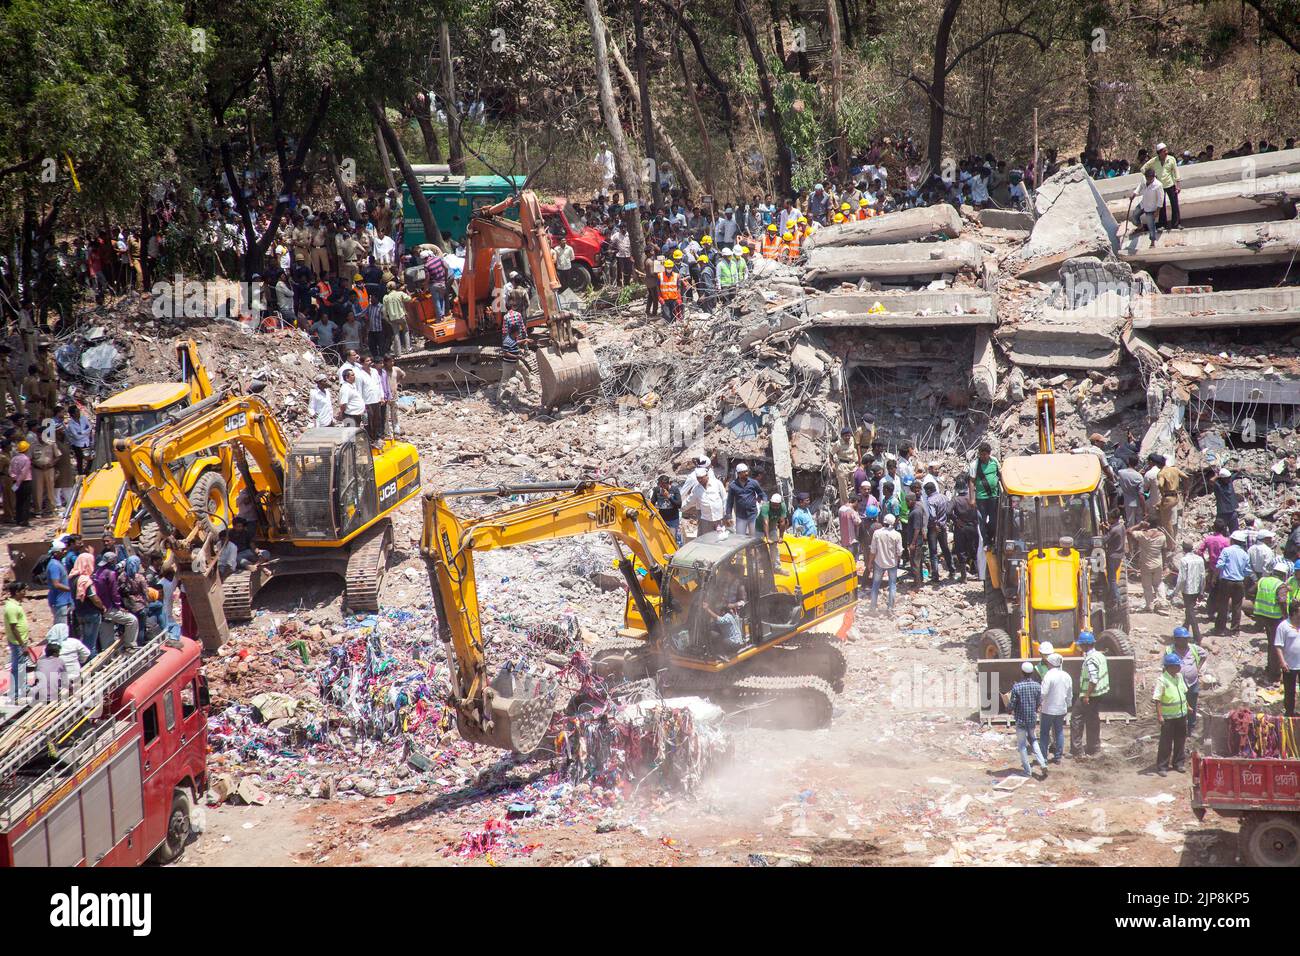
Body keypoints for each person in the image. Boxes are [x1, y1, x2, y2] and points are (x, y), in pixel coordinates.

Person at [1006, 661, 1048, 779]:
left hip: (1020, 720)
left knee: (1022, 746)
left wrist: (1007, 707)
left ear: (1022, 673)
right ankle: (1043, 763)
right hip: (1032, 719)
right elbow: (1039, 702)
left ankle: (1027, 771)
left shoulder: (1017, 687)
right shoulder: (1037, 686)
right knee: (1034, 740)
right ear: (1032, 673)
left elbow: (1012, 704)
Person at [1070, 630, 1108, 757]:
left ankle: (1077, 751)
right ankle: (1094, 747)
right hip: (1098, 695)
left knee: (1076, 719)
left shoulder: (1090, 660)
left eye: (1081, 644)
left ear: (1086, 645)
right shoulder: (1100, 656)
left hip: (1089, 696)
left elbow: (1093, 679)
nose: (1080, 646)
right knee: (1092, 720)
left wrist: (1086, 695)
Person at [1151, 652, 1190, 776]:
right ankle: (1162, 766)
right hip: (1168, 718)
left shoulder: (1179, 677)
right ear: (1169, 667)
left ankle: (1178, 763)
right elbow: (1157, 699)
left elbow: (1183, 693)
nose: (1179, 668)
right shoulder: (1162, 680)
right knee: (1166, 742)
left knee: (1180, 740)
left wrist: (1188, 706)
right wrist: (1160, 716)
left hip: (1181, 715)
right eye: (1177, 666)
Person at [1253, 560, 1289, 682]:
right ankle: (1274, 674)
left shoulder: (1263, 580)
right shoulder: (1281, 585)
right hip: (1274, 617)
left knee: (1271, 642)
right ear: (1284, 575)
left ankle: (1269, 667)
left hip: (1262, 615)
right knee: (1276, 645)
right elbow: (1283, 601)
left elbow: (1251, 591)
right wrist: (1286, 616)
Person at [1166, 626, 1206, 733]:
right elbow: (1165, 666)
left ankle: (1191, 727)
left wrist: (1197, 668)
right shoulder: (1170, 650)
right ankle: (1179, 727)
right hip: (1176, 684)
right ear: (1176, 639)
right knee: (1178, 704)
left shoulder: (1193, 648)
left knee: (1192, 705)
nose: (1185, 641)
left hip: (1192, 683)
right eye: (1182, 639)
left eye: (1186, 639)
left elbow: (1204, 655)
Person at [497, 292, 533, 405]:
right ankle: (500, 398)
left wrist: (506, 339)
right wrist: (525, 339)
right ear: (512, 306)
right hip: (512, 356)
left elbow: (505, 330)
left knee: (522, 373)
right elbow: (522, 326)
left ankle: (529, 389)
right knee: (506, 378)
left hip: (513, 343)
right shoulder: (518, 314)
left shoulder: (506, 317)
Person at [1215, 530, 1251, 635]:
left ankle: (1220, 629)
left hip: (1226, 581)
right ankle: (1235, 630)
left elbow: (1219, 565)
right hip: (1239, 582)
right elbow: (1248, 571)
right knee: (1237, 606)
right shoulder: (1245, 554)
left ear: (1234, 540)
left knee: (1223, 605)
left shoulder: (1226, 551)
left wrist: (1216, 576)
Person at [1039, 653, 1072, 764]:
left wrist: (1039, 703)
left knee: (1044, 733)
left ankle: (1043, 757)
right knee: (1059, 732)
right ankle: (1058, 757)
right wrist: (1067, 705)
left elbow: (1043, 693)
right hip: (1061, 709)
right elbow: (1069, 694)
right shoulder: (1067, 675)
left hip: (1048, 709)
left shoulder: (1048, 675)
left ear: (1050, 663)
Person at [1127, 520, 1167, 612]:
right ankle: (1163, 603)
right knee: (1158, 583)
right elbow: (1164, 550)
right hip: (1158, 564)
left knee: (1147, 586)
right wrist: (1165, 564)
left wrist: (1139, 525)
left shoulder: (1143, 535)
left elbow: (1128, 531)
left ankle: (1150, 606)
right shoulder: (1162, 536)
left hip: (1146, 564)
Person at [1141, 142, 1181, 229]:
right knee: (1161, 206)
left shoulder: (1171, 159)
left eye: (1166, 150)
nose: (1166, 152)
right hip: (1160, 187)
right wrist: (1151, 177)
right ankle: (1163, 224)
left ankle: (1176, 224)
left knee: (1175, 205)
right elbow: (1143, 169)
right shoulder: (1154, 161)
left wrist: (1178, 184)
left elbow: (1176, 171)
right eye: (1164, 151)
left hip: (1170, 185)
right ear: (1159, 152)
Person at [869, 513, 903, 613]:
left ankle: (872, 607)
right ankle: (890, 608)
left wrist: (870, 563)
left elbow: (873, 551)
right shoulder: (897, 535)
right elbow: (899, 551)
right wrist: (898, 560)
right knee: (892, 585)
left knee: (875, 585)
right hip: (892, 563)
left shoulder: (877, 533)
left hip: (879, 562)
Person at [680, 465, 727, 535]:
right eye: (698, 478)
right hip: (706, 519)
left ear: (706, 476)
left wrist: (726, 514)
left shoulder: (717, 484)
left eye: (701, 478)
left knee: (720, 539)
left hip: (719, 518)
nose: (699, 480)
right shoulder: (696, 489)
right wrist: (678, 508)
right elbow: (688, 502)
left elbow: (724, 499)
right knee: (708, 539)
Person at [1173, 540, 1205, 641]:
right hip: (1197, 589)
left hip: (1187, 590)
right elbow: (1203, 576)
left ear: (1183, 549)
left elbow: (1182, 578)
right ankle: (1184, 630)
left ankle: (1197, 636)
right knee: (1189, 611)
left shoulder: (1184, 560)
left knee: (1190, 612)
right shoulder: (1200, 559)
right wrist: (1202, 591)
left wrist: (1175, 591)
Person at [968, 442, 999, 545]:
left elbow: (1000, 474)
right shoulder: (974, 465)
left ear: (989, 453)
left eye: (985, 454)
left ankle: (991, 537)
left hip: (993, 496)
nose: (983, 456)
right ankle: (985, 541)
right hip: (981, 497)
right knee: (982, 520)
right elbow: (972, 481)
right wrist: (972, 498)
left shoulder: (994, 461)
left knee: (993, 520)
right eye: (981, 454)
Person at [5, 581, 30, 702]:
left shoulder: (15, 605)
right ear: (17, 592)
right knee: (19, 667)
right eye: (23, 591)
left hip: (20, 641)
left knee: (21, 666)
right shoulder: (11, 607)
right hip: (17, 643)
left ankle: (21, 688)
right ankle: (17, 692)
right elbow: (14, 628)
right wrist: (23, 644)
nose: (25, 593)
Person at [1274, 602, 1300, 717]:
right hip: (1289, 665)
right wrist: (1282, 662)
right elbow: (1278, 646)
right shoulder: (1283, 626)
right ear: (1294, 613)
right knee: (1290, 692)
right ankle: (1289, 714)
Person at [725, 463, 765, 535]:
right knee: (740, 538)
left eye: (747, 471)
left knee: (753, 538)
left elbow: (761, 493)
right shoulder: (733, 485)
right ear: (739, 474)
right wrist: (728, 516)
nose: (746, 473)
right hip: (740, 516)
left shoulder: (753, 483)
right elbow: (729, 502)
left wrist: (761, 499)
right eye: (744, 472)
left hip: (752, 515)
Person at [46, 539, 74, 629]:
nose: (65, 551)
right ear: (55, 553)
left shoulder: (59, 563)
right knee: (61, 628)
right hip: (59, 602)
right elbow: (56, 584)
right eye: (63, 550)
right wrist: (72, 589)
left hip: (64, 601)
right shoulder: (54, 565)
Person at [650, 474, 683, 545]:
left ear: (669, 483)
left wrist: (669, 497)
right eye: (660, 485)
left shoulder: (674, 490)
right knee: (662, 537)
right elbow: (652, 503)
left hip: (673, 519)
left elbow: (679, 505)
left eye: (664, 485)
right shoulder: (657, 490)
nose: (662, 487)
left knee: (673, 538)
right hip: (662, 519)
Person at [757, 493, 788, 560]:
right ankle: (758, 567)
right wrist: (768, 538)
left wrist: (781, 537)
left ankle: (776, 567)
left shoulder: (783, 507)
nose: (775, 507)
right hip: (759, 528)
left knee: (774, 548)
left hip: (772, 527)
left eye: (777, 506)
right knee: (759, 548)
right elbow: (766, 523)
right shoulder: (765, 507)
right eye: (773, 505)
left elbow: (782, 522)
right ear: (770, 502)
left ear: (780, 504)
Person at [9, 439, 33, 526]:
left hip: (15, 482)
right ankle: (25, 520)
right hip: (25, 482)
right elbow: (24, 473)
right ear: (26, 449)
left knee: (19, 501)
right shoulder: (26, 459)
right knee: (26, 501)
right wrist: (19, 482)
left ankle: (18, 519)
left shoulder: (13, 459)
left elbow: (10, 471)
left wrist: (15, 480)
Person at [1212, 469, 1239, 534]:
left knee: (1235, 532)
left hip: (1232, 512)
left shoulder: (1229, 481)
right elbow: (1211, 480)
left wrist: (1235, 470)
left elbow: (1237, 472)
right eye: (1227, 478)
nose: (1229, 479)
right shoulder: (1218, 485)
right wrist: (1217, 476)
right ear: (1222, 479)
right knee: (1221, 532)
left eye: (1230, 478)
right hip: (1222, 514)